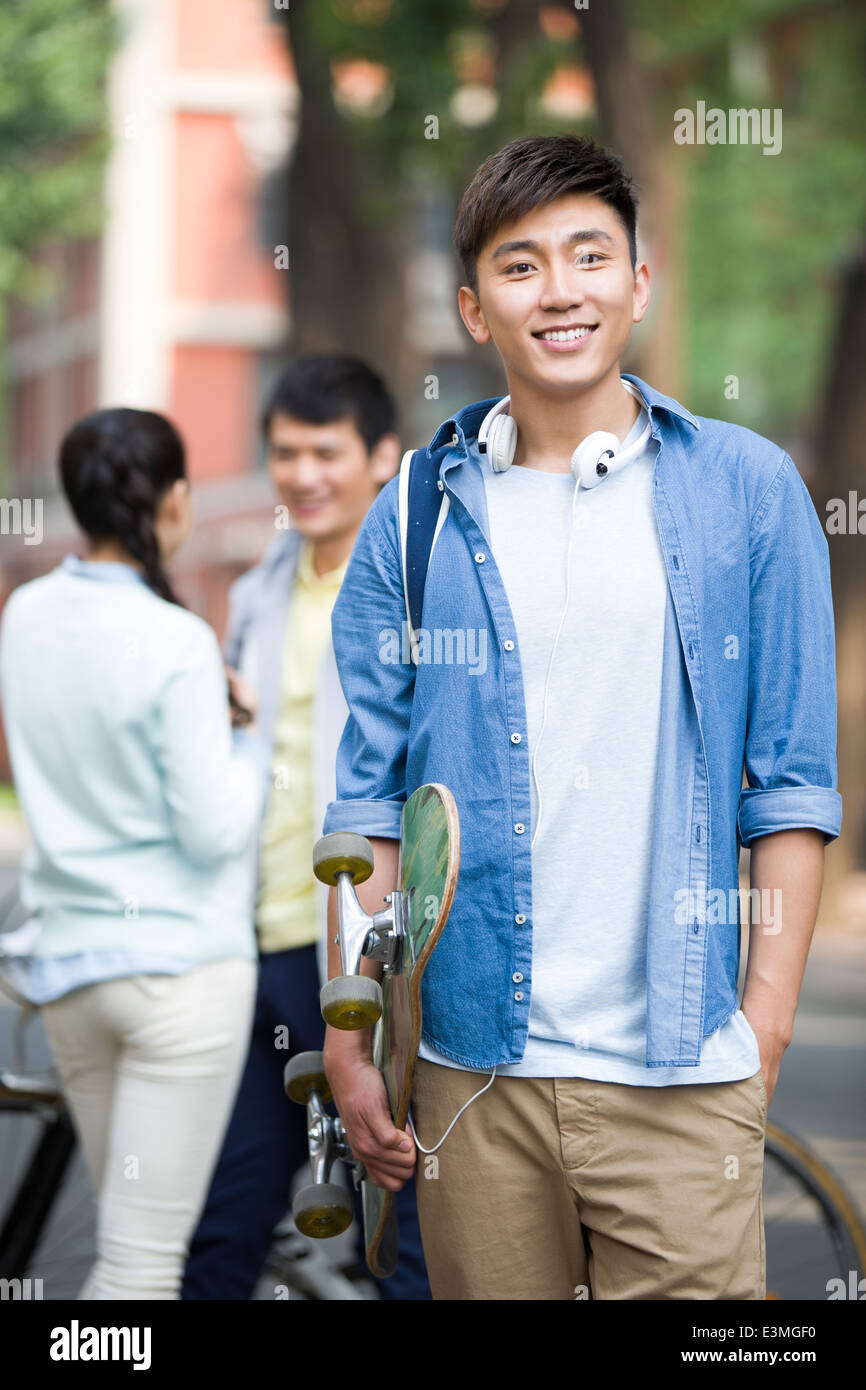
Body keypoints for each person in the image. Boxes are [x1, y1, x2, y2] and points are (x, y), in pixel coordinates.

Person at [320, 135, 842, 1300]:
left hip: (683, 1070)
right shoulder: (412, 516)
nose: (558, 290)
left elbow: (791, 783)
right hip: (469, 1074)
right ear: (471, 306)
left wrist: (760, 1028)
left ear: (637, 283)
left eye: (588, 255)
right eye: (519, 266)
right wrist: (351, 1037)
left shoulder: (745, 494)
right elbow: (367, 804)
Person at [0, 408, 268, 1299]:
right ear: (175, 501)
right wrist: (247, 739)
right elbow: (214, 830)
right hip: (180, 977)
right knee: (141, 1264)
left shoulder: (25, 615)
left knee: (124, 1243)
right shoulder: (179, 642)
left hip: (72, 971)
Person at [183, 355, 433, 1300]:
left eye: (325, 451)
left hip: (376, 952)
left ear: (381, 456)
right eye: (285, 454)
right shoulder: (258, 591)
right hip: (264, 940)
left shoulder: (419, 591)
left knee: (399, 1224)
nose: (302, 475)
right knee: (228, 1222)